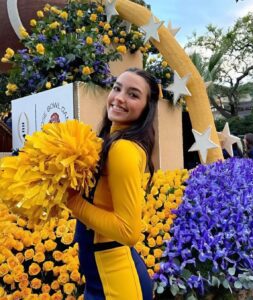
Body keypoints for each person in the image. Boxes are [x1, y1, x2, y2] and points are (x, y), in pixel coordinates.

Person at [66, 68, 159, 299]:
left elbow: (128, 231)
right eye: (117, 88)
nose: (119, 97)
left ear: (147, 108)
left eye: (133, 94)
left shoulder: (123, 149)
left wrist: (72, 201)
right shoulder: (111, 141)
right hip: (102, 275)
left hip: (116, 283)